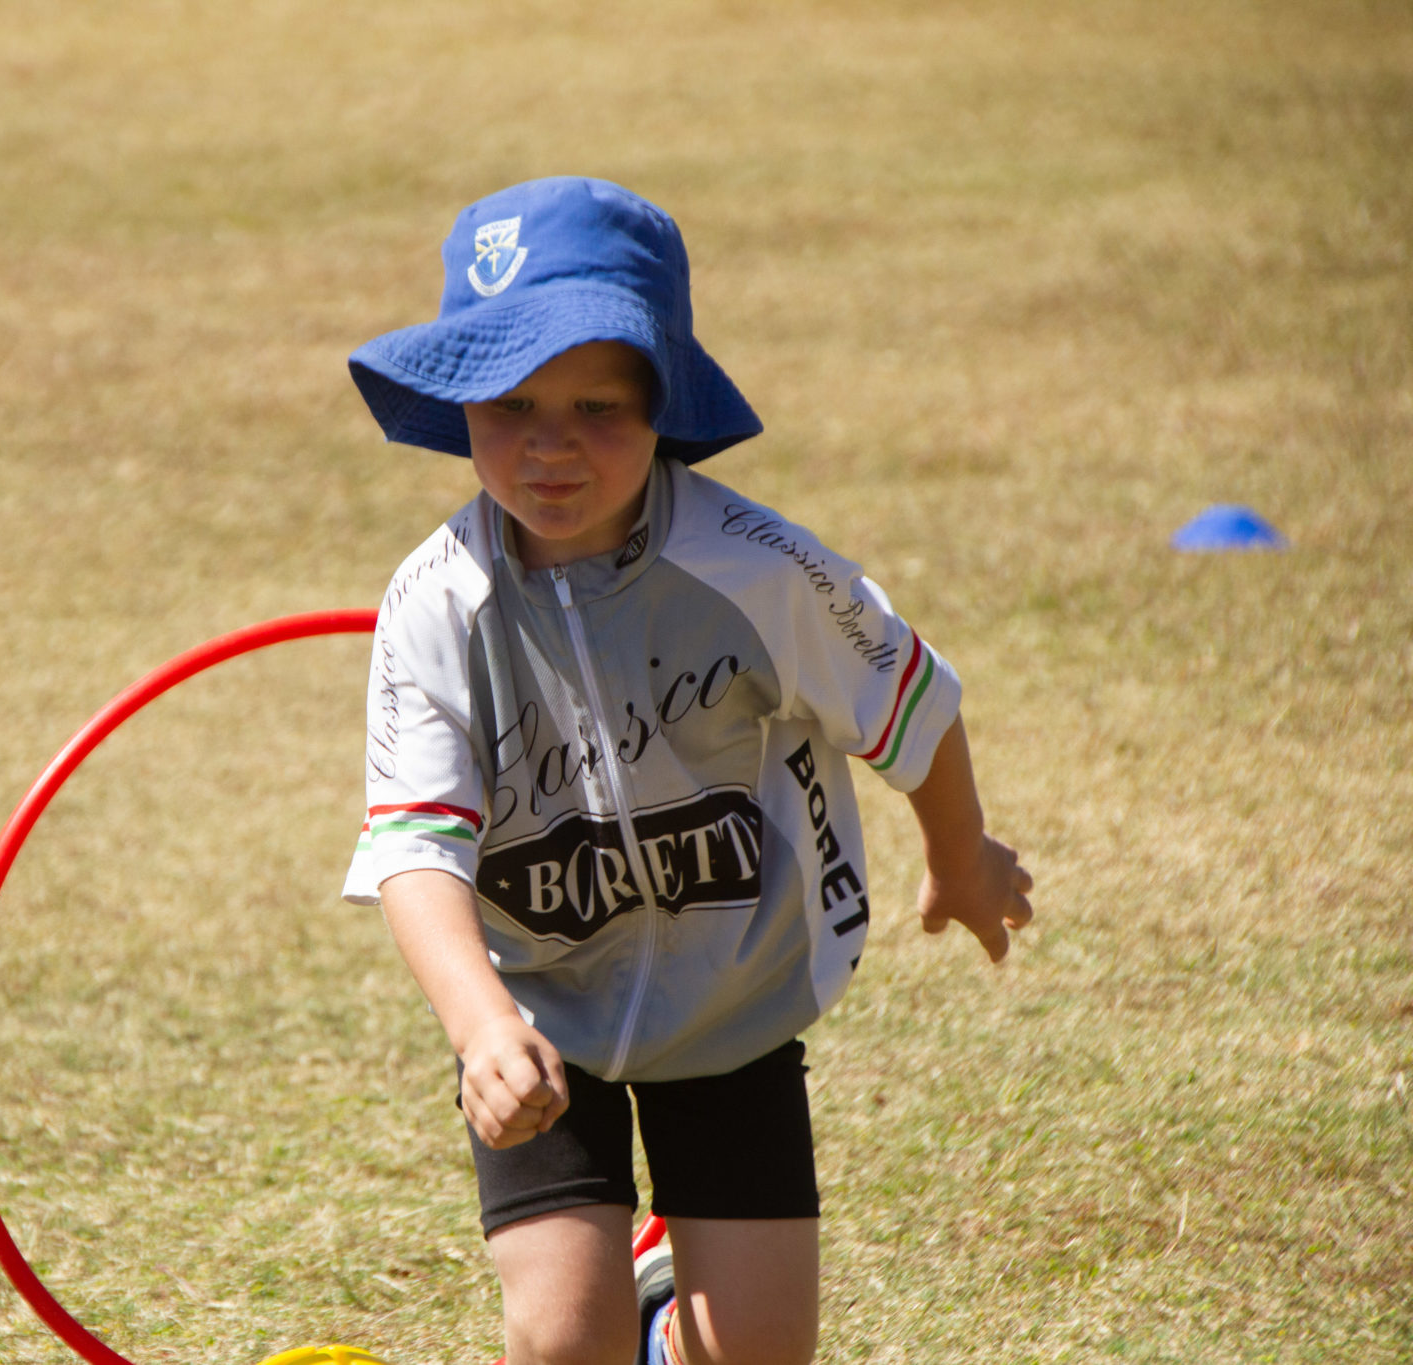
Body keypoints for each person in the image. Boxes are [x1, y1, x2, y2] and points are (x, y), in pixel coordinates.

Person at [339, 177, 1035, 1365]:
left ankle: (665, 1308)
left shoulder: (753, 568)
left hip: (733, 1000)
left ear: (661, 401)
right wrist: (479, 1028)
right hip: (539, 1012)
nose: (550, 444)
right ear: (458, 406)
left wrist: (957, 857)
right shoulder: (434, 603)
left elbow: (910, 695)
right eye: (509, 403)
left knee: (753, 1355)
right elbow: (413, 846)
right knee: (562, 1342)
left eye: (596, 405)